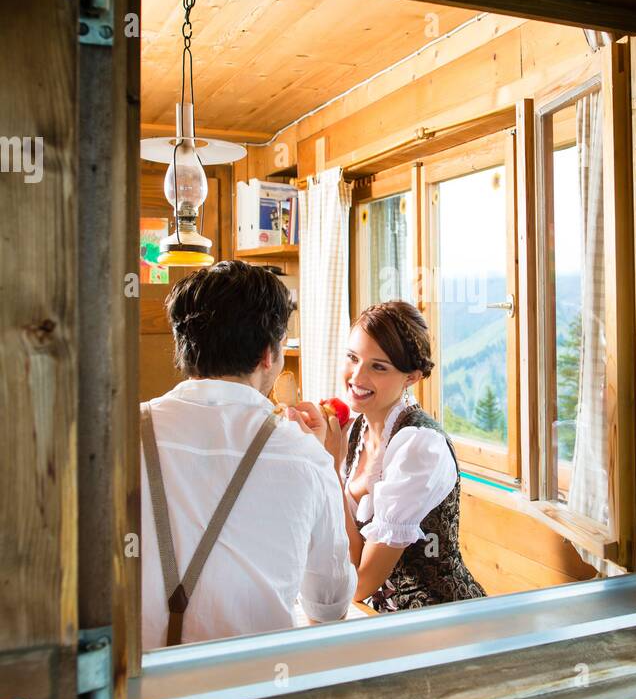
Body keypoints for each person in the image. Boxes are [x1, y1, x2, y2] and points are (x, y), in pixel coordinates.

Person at [140, 261, 356, 649]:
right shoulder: (305, 455)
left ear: (183, 346)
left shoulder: (118, 433)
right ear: (267, 354)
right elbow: (329, 605)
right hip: (253, 692)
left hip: (127, 693)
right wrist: (328, 465)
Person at [334, 300, 486, 610]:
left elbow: (361, 582)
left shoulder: (420, 447)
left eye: (378, 366)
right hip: (374, 614)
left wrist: (326, 469)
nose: (357, 376)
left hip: (439, 620)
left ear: (411, 377)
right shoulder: (354, 431)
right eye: (352, 357)